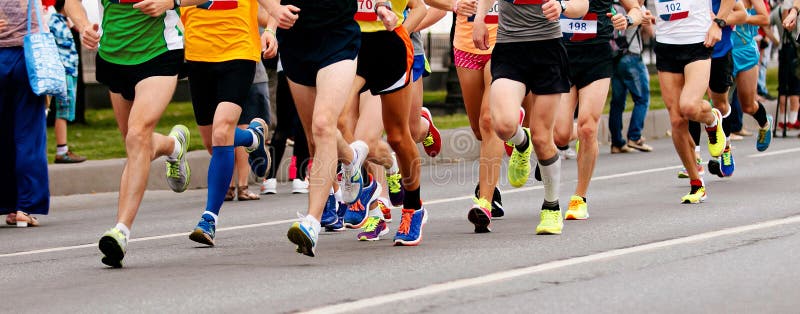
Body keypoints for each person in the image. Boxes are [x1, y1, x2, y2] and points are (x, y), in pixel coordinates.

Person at [72, 0, 191, 267]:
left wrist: (171, 2)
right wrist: (83, 26)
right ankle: (173, 145)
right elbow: (71, 3)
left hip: (159, 51)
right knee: (135, 143)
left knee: (137, 137)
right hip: (114, 56)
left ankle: (121, 231)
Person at [474, 0, 589, 234]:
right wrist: (479, 18)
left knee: (542, 138)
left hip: (548, 49)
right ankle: (521, 142)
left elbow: (582, 5)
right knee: (503, 125)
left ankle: (551, 206)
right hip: (509, 48)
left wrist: (562, 7)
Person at [268, 0, 372, 257]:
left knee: (323, 124)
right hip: (295, 43)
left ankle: (312, 222)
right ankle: (350, 157)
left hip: (338, 37)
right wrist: (274, 10)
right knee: (314, 137)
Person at [177, 0, 274, 246]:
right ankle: (252, 137)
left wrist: (271, 30)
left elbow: (274, 7)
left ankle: (209, 219)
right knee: (213, 143)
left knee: (222, 133)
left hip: (238, 51)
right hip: (197, 55)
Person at [553, 0, 643, 221]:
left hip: (597, 56)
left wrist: (628, 19)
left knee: (588, 128)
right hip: (563, 56)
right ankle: (580, 137)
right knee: (560, 135)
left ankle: (579, 198)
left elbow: (636, 10)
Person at [426, 0, 512, 233]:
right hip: (466, 46)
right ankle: (515, 133)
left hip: (503, 44)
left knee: (488, 121)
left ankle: (484, 201)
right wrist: (454, 5)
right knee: (478, 129)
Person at [655, 0, 734, 204]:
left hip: (698, 41)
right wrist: (639, 14)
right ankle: (696, 183)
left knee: (689, 107)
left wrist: (718, 23)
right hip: (665, 44)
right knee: (677, 121)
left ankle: (712, 120)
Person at [1, 1, 53, 227]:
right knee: (29, 136)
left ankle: (7, 204)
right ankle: (24, 207)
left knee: (2, 136)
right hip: (28, 54)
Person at [260, 57, 312, 195]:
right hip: (307, 66)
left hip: (285, 67)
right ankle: (300, 178)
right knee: (302, 124)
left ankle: (270, 178)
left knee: (282, 126)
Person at [608, 0, 653, 154]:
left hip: (615, 57)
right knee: (642, 98)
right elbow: (650, 33)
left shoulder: (613, 6)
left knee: (617, 102)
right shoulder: (637, 8)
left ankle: (616, 143)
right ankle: (635, 137)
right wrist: (646, 21)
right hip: (632, 57)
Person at [225, 61, 272, 202]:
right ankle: (242, 187)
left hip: (225, 74)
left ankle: (228, 187)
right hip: (250, 73)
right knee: (244, 129)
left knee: (228, 129)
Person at [49, 0, 86, 164]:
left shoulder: (63, 22)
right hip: (63, 73)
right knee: (62, 111)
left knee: (65, 111)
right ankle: (61, 150)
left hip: (69, 72)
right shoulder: (54, 22)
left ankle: (62, 150)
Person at [778, 1, 800, 129]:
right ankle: (791, 120)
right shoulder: (788, 4)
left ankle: (786, 120)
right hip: (793, 49)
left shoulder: (780, 8)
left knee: (786, 86)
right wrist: (793, 12)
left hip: (786, 48)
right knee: (794, 86)